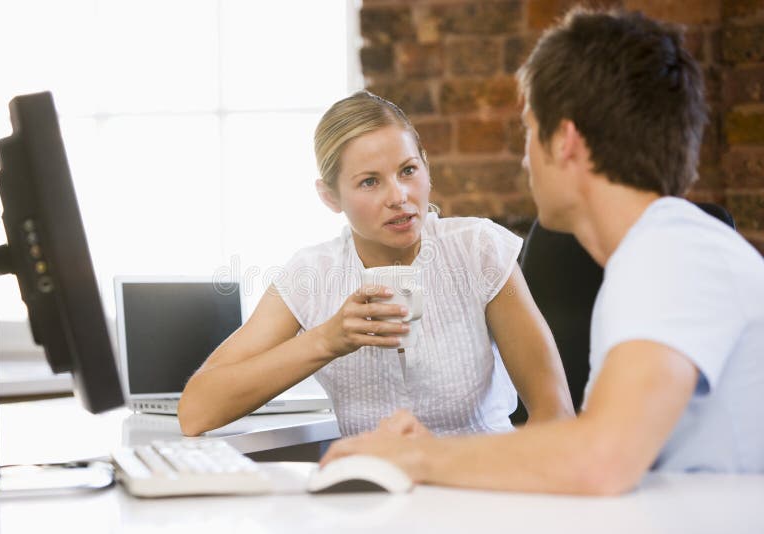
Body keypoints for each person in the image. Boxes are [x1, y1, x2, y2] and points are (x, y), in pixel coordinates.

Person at [319, 8, 764, 494]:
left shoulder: (674, 254)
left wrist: (415, 456)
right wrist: (442, 453)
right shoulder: (657, 253)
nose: (526, 157)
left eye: (531, 131)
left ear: (565, 142)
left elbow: (599, 460)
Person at [178, 91, 574, 437]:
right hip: (377, 504)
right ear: (330, 197)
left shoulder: (477, 250)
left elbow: (556, 416)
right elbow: (195, 412)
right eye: (370, 181)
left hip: (483, 495)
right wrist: (326, 341)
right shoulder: (312, 274)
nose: (399, 196)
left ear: (426, 167)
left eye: (408, 170)